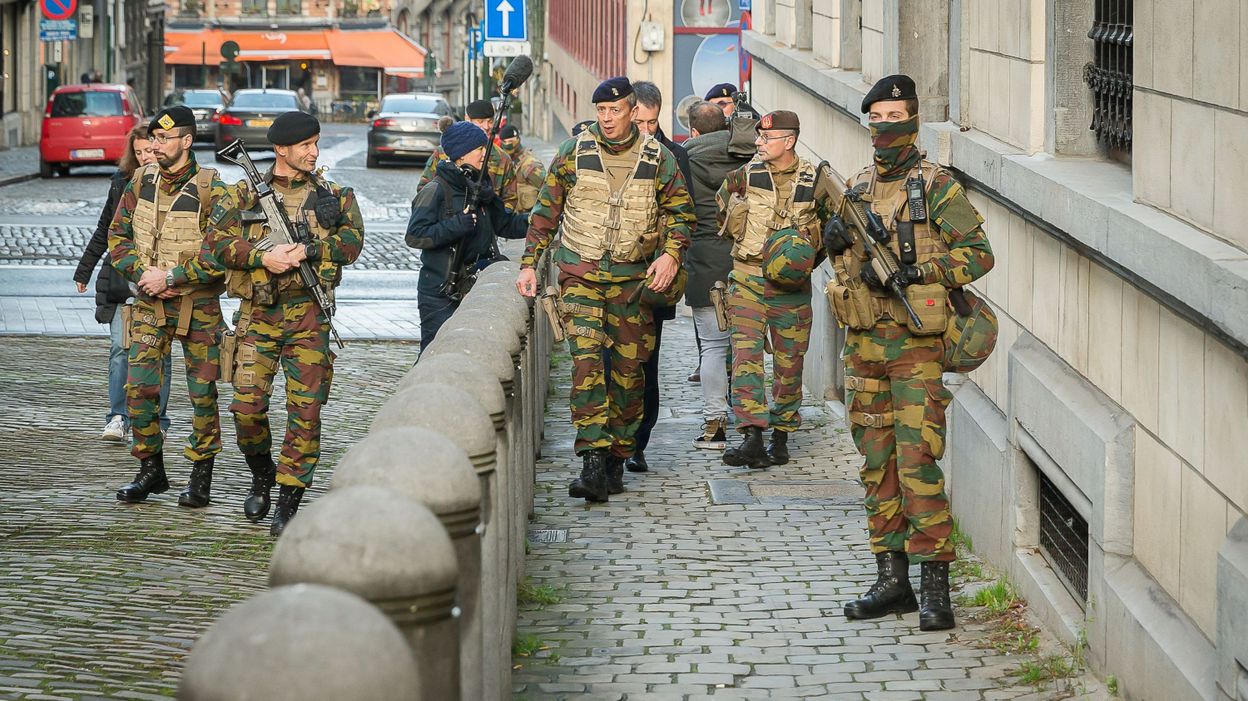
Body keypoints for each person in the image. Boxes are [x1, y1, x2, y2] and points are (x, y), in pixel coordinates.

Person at [835, 75, 994, 630]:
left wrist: (921, 270)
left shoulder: (939, 188)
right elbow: (816, 261)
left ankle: (934, 586)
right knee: (875, 463)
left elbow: (979, 256)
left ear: (912, 119)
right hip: (863, 347)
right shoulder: (852, 189)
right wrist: (831, 241)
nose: (884, 128)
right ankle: (892, 578)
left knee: (917, 461)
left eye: (893, 117)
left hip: (915, 349)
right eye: (875, 118)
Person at [515, 76, 694, 503]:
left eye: (615, 111)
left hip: (634, 282)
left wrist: (670, 255)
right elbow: (545, 213)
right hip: (580, 274)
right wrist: (529, 264)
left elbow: (683, 217)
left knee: (630, 375)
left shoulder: (659, 158)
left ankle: (617, 457)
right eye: (601, 111)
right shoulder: (573, 152)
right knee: (587, 365)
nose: (608, 118)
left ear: (634, 111)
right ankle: (592, 461)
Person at [189, 111, 365, 536]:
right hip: (258, 316)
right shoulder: (245, 193)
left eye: (316, 143)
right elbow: (213, 245)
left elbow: (353, 242)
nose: (314, 152)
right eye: (306, 145)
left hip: (310, 317)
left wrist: (309, 249)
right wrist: (261, 256)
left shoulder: (334, 194)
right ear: (282, 149)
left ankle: (289, 496)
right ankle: (263, 472)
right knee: (246, 409)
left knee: (305, 411)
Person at [107, 106, 232, 508]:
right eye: (154, 140)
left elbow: (222, 253)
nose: (155, 146)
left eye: (163, 139)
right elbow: (117, 237)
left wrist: (172, 277)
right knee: (139, 388)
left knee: (202, 394)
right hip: (148, 304)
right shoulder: (141, 181)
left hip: (199, 307)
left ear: (187, 141)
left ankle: (200, 476)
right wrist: (144, 273)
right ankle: (150, 469)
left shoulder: (214, 189)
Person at [715, 110, 837, 469]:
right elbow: (722, 208)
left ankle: (781, 435)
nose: (758, 143)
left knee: (789, 362)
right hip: (748, 278)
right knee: (745, 360)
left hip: (791, 287)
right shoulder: (744, 175)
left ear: (790, 141)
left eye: (766, 139)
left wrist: (806, 260)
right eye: (759, 137)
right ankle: (752, 435)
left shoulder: (815, 181)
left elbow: (834, 229)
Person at [74, 125, 173, 442]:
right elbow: (106, 228)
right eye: (140, 152)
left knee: (161, 352)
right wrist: (84, 270)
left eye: (150, 150)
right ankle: (118, 416)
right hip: (122, 279)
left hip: (160, 279)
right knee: (120, 348)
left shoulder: (174, 185)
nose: (146, 157)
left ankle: (157, 418)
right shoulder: (121, 183)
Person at [407, 121, 529, 348]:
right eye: (479, 149)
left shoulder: (479, 187)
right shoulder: (435, 190)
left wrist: (539, 221)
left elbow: (505, 225)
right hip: (440, 291)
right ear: (461, 154)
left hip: (474, 285)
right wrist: (455, 225)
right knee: (435, 351)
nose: (485, 154)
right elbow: (415, 235)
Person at [622, 80, 692, 474]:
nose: (646, 130)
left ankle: (638, 443)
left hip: (653, 281)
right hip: (611, 278)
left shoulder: (673, 156)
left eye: (652, 122)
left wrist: (672, 262)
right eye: (640, 121)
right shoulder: (606, 152)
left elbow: (686, 218)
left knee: (646, 363)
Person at [683, 100, 753, 450]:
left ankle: (715, 424)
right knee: (747, 346)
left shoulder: (683, 159)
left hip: (702, 263)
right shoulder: (745, 153)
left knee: (711, 348)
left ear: (693, 131)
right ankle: (750, 420)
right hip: (744, 261)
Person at [419, 99, 519, 211]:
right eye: (480, 121)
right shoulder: (444, 153)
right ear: (467, 119)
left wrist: (495, 220)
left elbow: (510, 199)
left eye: (490, 121)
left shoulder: (502, 159)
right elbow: (424, 188)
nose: (486, 126)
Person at [498, 124, 547, 213]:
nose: (508, 145)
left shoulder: (529, 164)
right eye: (505, 142)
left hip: (528, 218)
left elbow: (548, 187)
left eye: (511, 141)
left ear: (518, 139)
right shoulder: (505, 162)